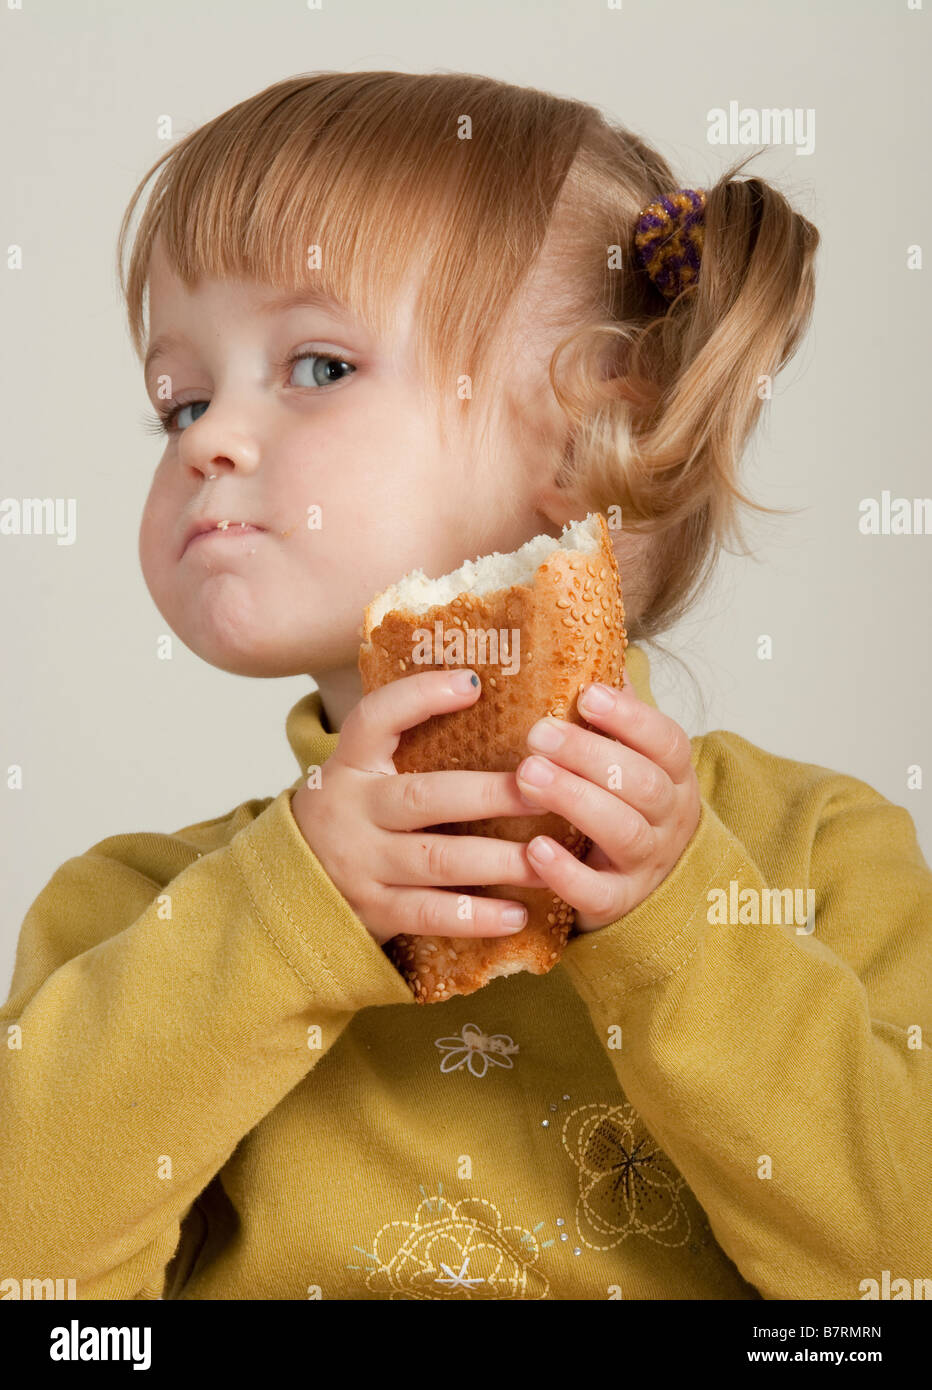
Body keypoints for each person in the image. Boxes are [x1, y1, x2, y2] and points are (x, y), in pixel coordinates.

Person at [1, 71, 928, 1302]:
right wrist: (281, 921)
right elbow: (39, 1292)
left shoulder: (814, 859)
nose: (206, 438)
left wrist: (677, 928)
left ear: (584, 436)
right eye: (180, 398)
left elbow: (894, 1273)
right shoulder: (130, 914)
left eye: (318, 366)